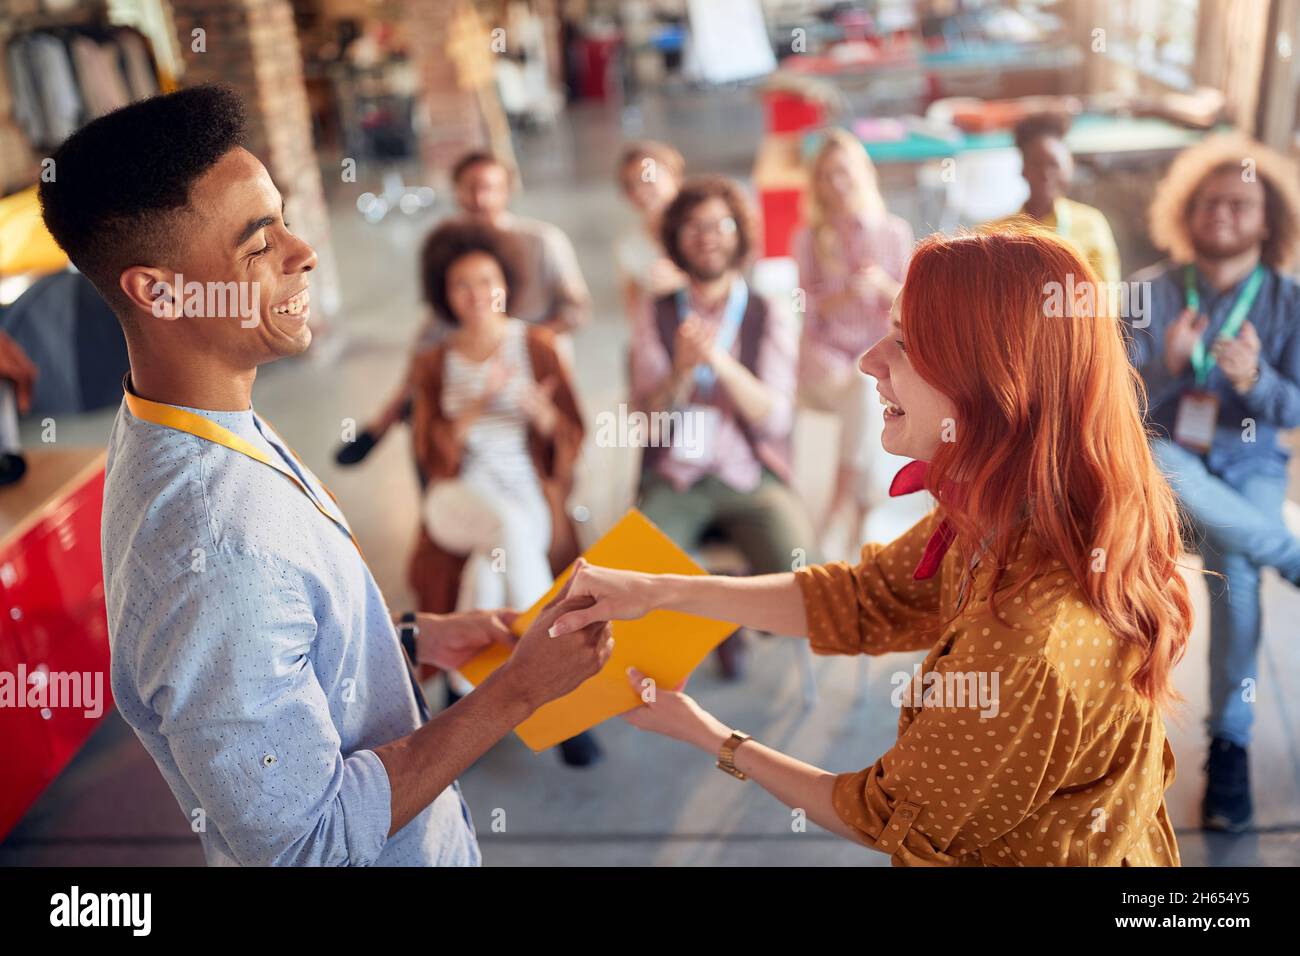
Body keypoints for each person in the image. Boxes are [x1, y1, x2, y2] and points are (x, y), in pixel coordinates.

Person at [38, 85, 613, 866]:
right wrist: (517, 690)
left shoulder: (185, 419)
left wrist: (404, 642)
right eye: (256, 240)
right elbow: (310, 843)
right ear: (159, 290)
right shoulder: (213, 544)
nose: (302, 249)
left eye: (281, 215)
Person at [553, 226, 1192, 866]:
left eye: (906, 345)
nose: (868, 361)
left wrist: (710, 736)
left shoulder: (1034, 637)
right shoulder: (1006, 508)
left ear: (995, 384)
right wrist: (662, 592)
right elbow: (863, 599)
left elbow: (886, 814)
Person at [1124, 132, 1300, 832]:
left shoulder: (1287, 302)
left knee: (1235, 564)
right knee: (1151, 454)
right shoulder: (1148, 291)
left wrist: (1256, 382)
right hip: (1171, 475)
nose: (1222, 214)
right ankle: (1291, 556)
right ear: (1186, 213)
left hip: (1250, 470)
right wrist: (1164, 368)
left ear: (1269, 219)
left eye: (1240, 203)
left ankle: (1227, 748)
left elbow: (1295, 409)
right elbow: (1112, 406)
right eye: (1209, 202)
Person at [406, 220, 600, 767]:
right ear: (445, 295)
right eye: (461, 284)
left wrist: (540, 412)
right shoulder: (433, 362)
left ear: (506, 285)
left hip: (527, 496)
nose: (476, 295)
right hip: (455, 499)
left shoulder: (536, 345)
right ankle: (558, 698)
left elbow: (571, 436)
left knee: (492, 565)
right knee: (506, 532)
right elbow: (430, 458)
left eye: (486, 281)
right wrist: (474, 406)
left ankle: (461, 692)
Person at [630, 175, 817, 680]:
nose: (706, 235)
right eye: (692, 226)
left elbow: (773, 415)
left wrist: (718, 361)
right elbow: (646, 419)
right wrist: (683, 370)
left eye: (719, 224)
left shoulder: (769, 310)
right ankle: (721, 616)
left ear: (739, 234)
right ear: (675, 238)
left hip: (750, 474)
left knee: (804, 586)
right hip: (677, 476)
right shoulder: (654, 312)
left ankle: (730, 615)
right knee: (635, 584)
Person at [338, 150, 591, 465]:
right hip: (466, 337)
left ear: (507, 191)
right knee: (424, 355)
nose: (480, 198)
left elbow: (577, 310)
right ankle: (384, 422)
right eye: (470, 187)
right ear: (456, 191)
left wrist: (519, 341)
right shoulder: (449, 243)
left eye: (490, 188)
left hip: (528, 348)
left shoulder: (542, 241)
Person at [793, 128, 914, 549]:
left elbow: (913, 308)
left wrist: (882, 287)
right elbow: (802, 308)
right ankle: (857, 509)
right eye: (826, 176)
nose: (837, 184)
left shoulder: (893, 231)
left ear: (861, 174)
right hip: (826, 355)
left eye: (843, 173)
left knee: (865, 392)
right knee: (862, 395)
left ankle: (841, 503)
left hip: (875, 352)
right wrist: (842, 293)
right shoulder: (808, 238)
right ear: (818, 184)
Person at [991, 111, 1121, 285]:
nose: (1045, 174)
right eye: (1036, 164)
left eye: (1054, 164)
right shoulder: (996, 234)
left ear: (1069, 168)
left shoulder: (1091, 223)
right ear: (1023, 169)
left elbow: (1108, 295)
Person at [614, 140, 686, 323]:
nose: (640, 190)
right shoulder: (629, 246)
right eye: (631, 185)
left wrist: (684, 279)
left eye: (648, 178)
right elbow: (633, 307)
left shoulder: (701, 228)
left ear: (674, 177)